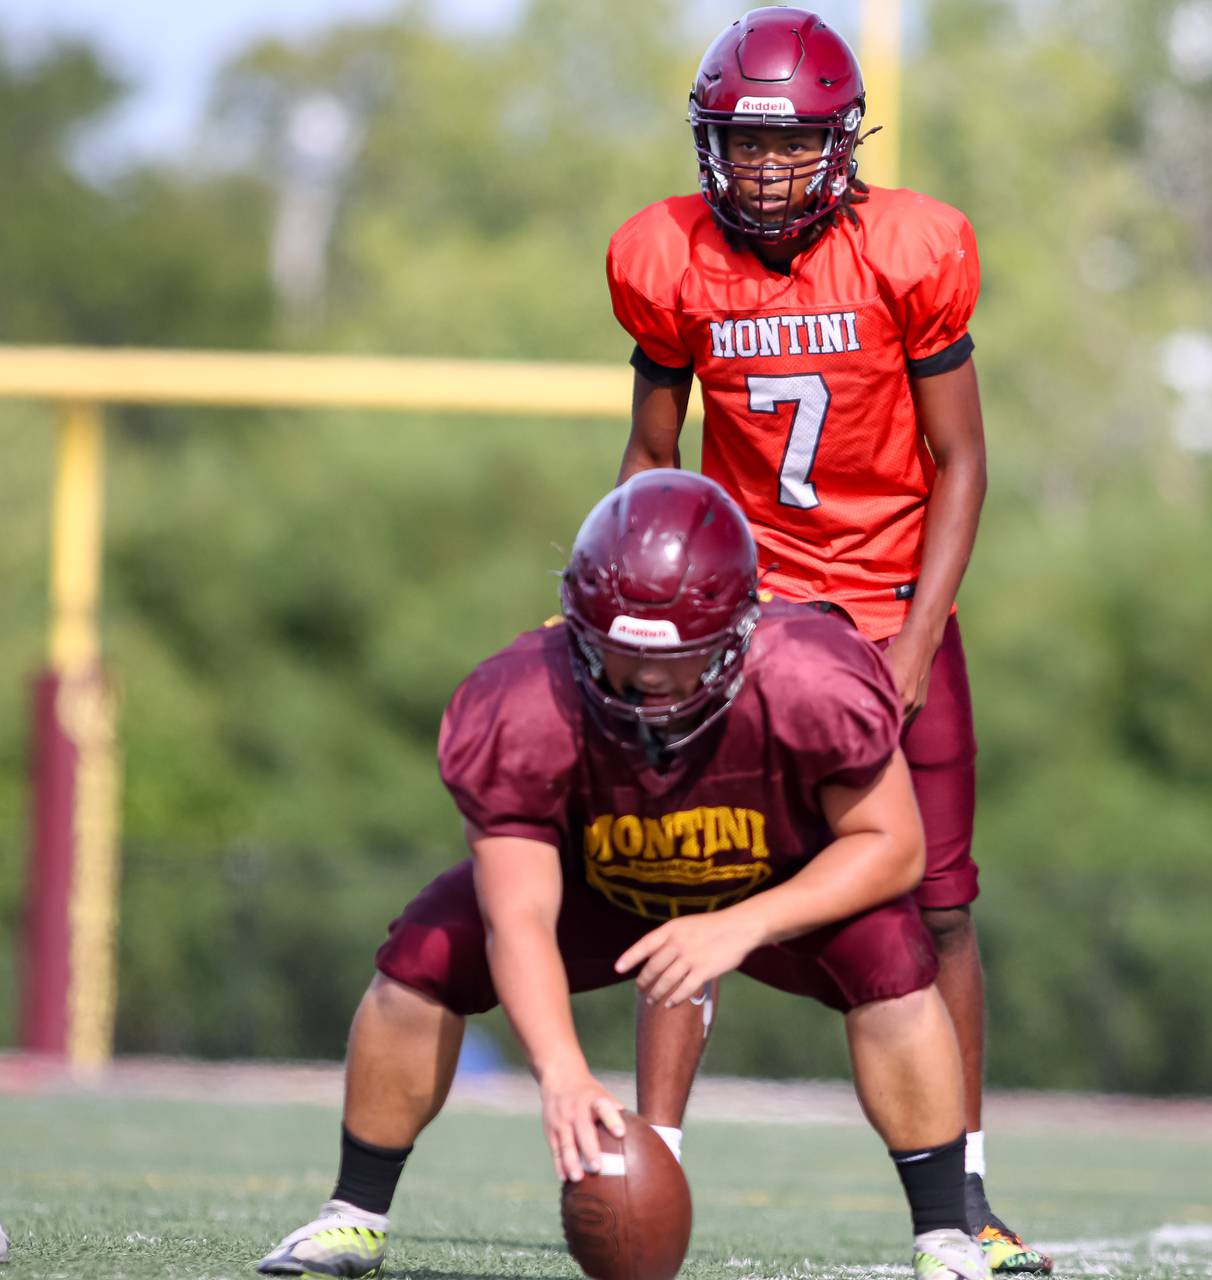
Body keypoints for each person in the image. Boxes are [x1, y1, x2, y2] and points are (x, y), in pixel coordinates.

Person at [258, 472, 990, 1280]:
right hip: (604, 887)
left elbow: (892, 846)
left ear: (740, 631)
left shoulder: (812, 677)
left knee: (895, 957)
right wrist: (563, 1072)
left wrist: (744, 922)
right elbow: (520, 918)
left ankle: (946, 1234)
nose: (645, 683)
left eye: (677, 659)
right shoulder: (522, 700)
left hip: (772, 882)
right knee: (423, 957)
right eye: (621, 653)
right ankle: (352, 1214)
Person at [605, 10, 1044, 1271]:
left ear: (841, 146)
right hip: (741, 614)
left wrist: (910, 645)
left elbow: (961, 464)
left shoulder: (908, 249)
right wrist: (641, 617)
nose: (762, 173)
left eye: (790, 146)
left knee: (944, 909)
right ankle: (655, 1165)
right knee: (691, 872)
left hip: (891, 603)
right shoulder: (668, 257)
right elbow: (650, 457)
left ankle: (964, 1195)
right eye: (740, 149)